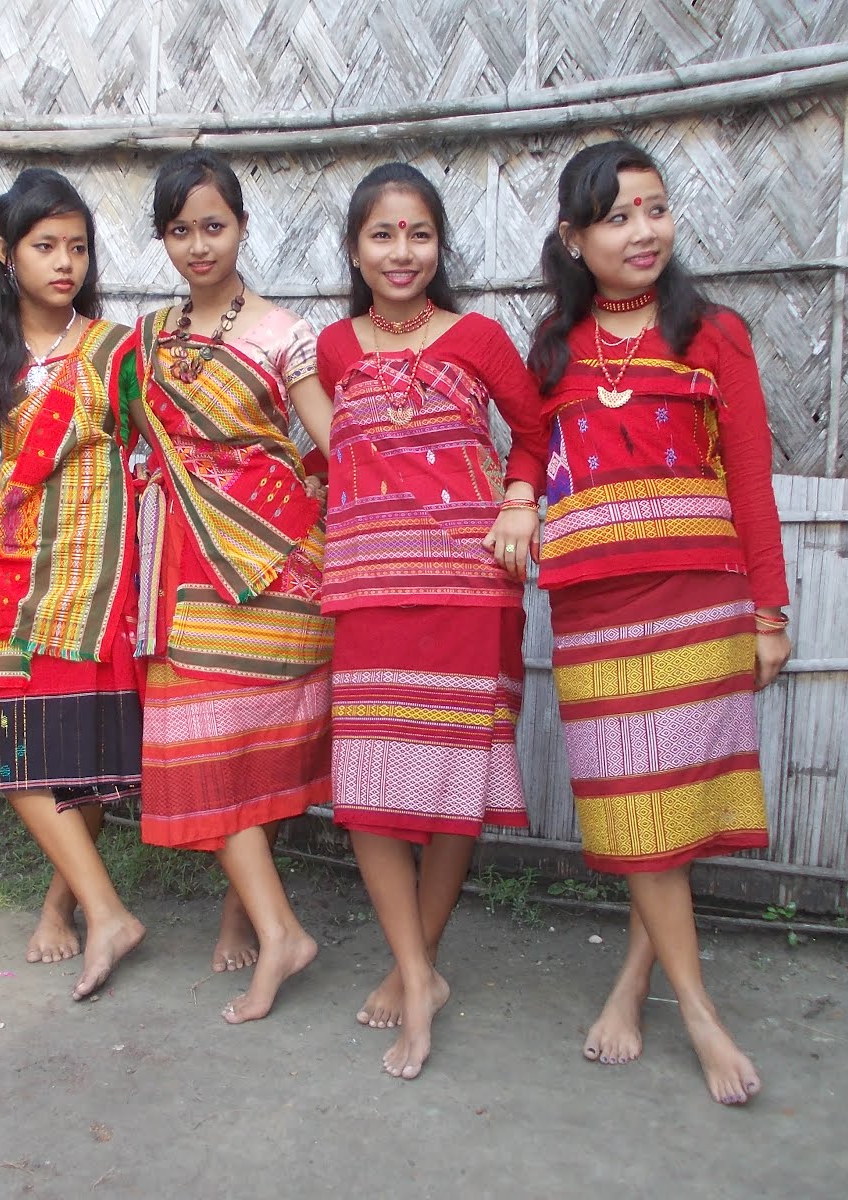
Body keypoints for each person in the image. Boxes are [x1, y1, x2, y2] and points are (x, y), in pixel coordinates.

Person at [527, 139, 792, 1106]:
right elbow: (529, 463)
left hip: (699, 602)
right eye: (618, 216)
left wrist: (771, 611)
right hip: (593, 612)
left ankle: (672, 1000)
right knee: (635, 804)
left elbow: (751, 480)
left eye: (656, 209)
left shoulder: (714, 332)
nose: (643, 232)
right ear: (574, 237)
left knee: (670, 805)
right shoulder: (550, 351)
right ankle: (667, 992)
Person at [315, 163, 549, 1079]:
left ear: (438, 245)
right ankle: (417, 975)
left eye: (417, 234)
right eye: (382, 235)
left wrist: (522, 499)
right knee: (371, 788)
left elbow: (534, 432)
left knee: (454, 782)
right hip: (369, 588)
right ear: (356, 250)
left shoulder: (481, 338)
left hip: (468, 584)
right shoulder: (335, 350)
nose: (401, 252)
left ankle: (421, 965)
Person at [133, 149, 333, 1023]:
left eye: (214, 226)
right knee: (203, 744)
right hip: (179, 565)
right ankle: (260, 920)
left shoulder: (284, 333)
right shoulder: (139, 337)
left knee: (243, 746)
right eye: (180, 230)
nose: (198, 245)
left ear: (243, 227)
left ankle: (266, 927)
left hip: (270, 559)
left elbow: (332, 435)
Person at [0, 168, 145, 1000]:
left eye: (78, 246)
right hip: (17, 578)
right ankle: (107, 909)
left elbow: (153, 458)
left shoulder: (117, 350)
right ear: (6, 255)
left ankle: (69, 908)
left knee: (80, 757)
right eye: (44, 245)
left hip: (100, 578)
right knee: (15, 750)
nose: (65, 262)